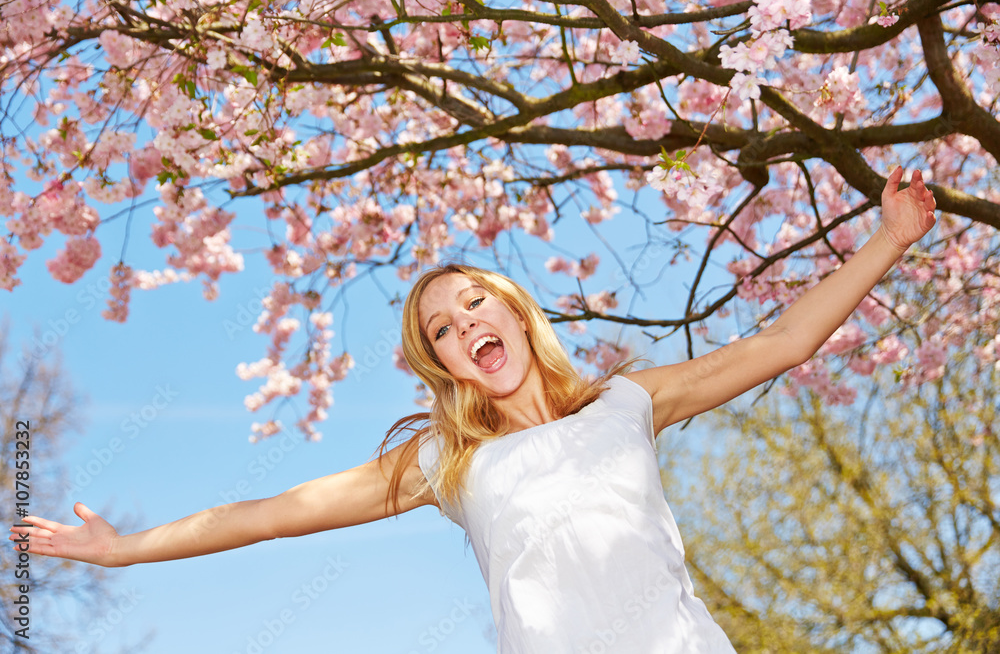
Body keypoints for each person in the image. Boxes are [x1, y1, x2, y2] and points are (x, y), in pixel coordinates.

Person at [9, 167, 937, 652]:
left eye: (472, 305)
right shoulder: (449, 461)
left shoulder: (626, 401)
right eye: (443, 331)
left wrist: (890, 240)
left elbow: (777, 346)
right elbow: (273, 514)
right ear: (444, 363)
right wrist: (129, 546)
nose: (463, 327)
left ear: (514, 311)